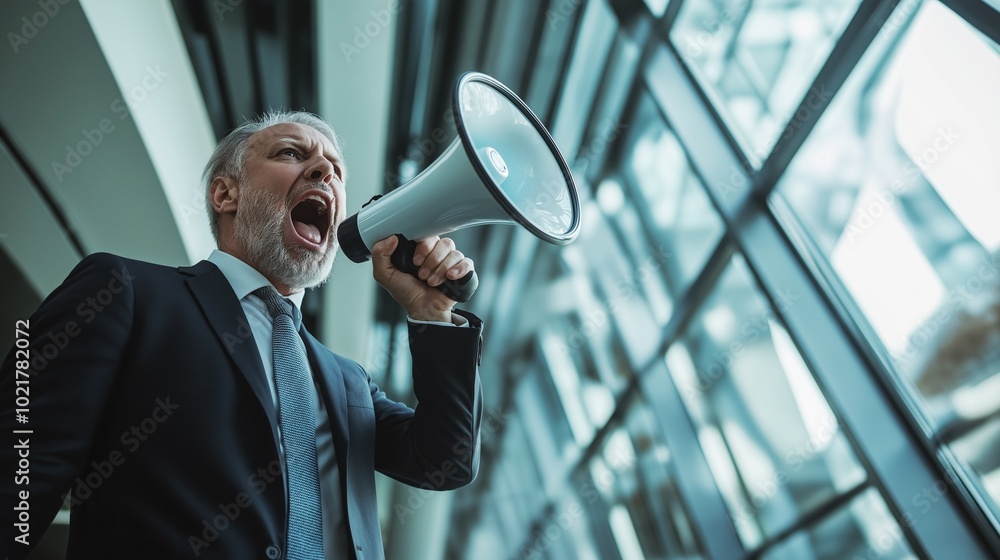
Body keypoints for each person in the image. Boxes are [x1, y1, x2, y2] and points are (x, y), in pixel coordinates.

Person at [0, 111, 484, 559]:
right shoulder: (120, 291)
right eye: (292, 153)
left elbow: (446, 462)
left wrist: (432, 312)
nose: (325, 172)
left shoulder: (349, 381)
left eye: (336, 168)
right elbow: (20, 458)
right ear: (225, 194)